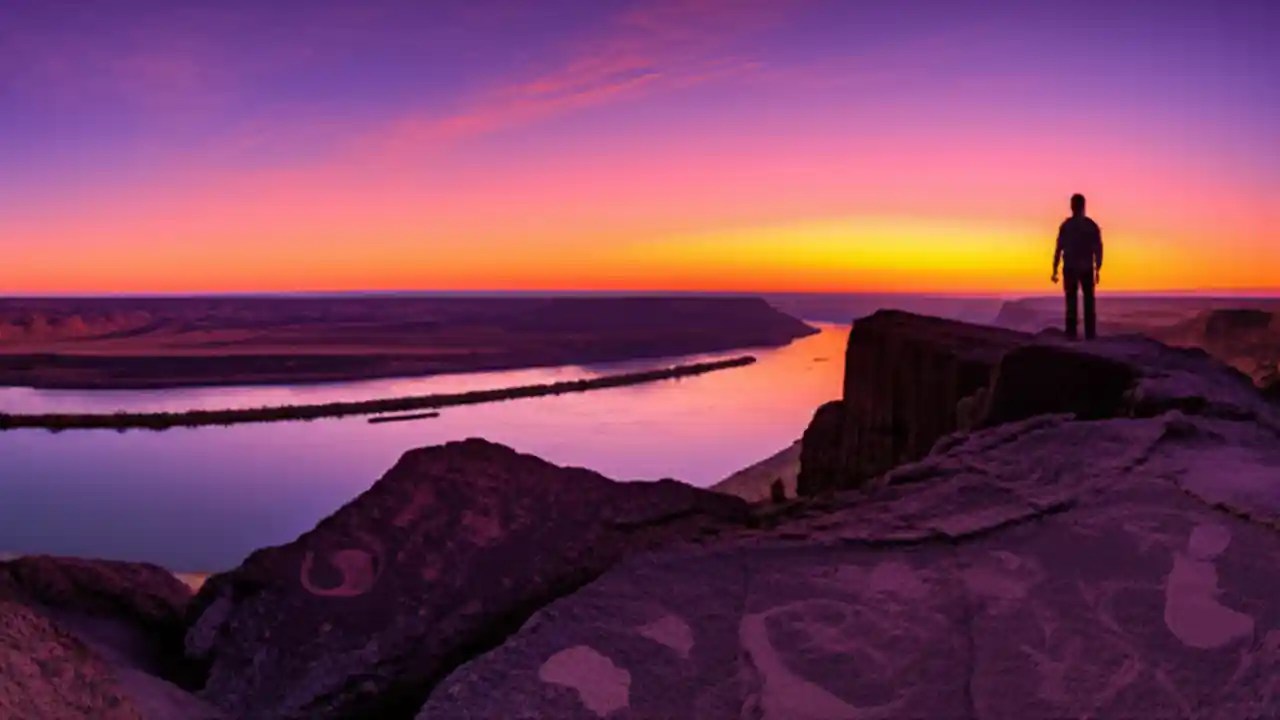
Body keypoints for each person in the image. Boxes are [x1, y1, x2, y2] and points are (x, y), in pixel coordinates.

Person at [1051, 193, 1103, 340]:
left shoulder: (1066, 226)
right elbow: (1098, 248)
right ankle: (1090, 335)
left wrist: (1054, 268)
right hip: (1086, 268)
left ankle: (1071, 335)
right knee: (1088, 303)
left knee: (1071, 303)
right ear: (1083, 206)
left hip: (1070, 268)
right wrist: (1098, 267)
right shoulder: (1090, 225)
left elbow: (1058, 248)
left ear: (1072, 206)